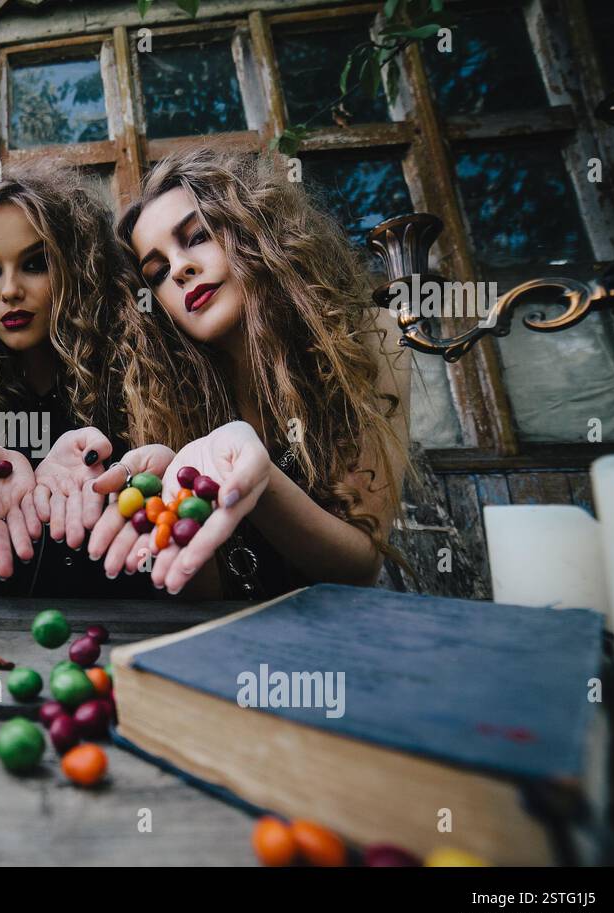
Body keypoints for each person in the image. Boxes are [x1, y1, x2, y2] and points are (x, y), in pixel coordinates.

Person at [90, 146, 411, 599]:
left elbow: (360, 567)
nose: (179, 270)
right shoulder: (168, 387)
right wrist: (181, 513)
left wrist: (256, 483)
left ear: (254, 230)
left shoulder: (369, 337)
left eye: (198, 236)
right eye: (157, 272)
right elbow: (204, 597)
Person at [0, 162, 171, 598]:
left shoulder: (137, 378)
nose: (10, 290)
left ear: (76, 267)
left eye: (35, 264)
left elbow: (163, 571)